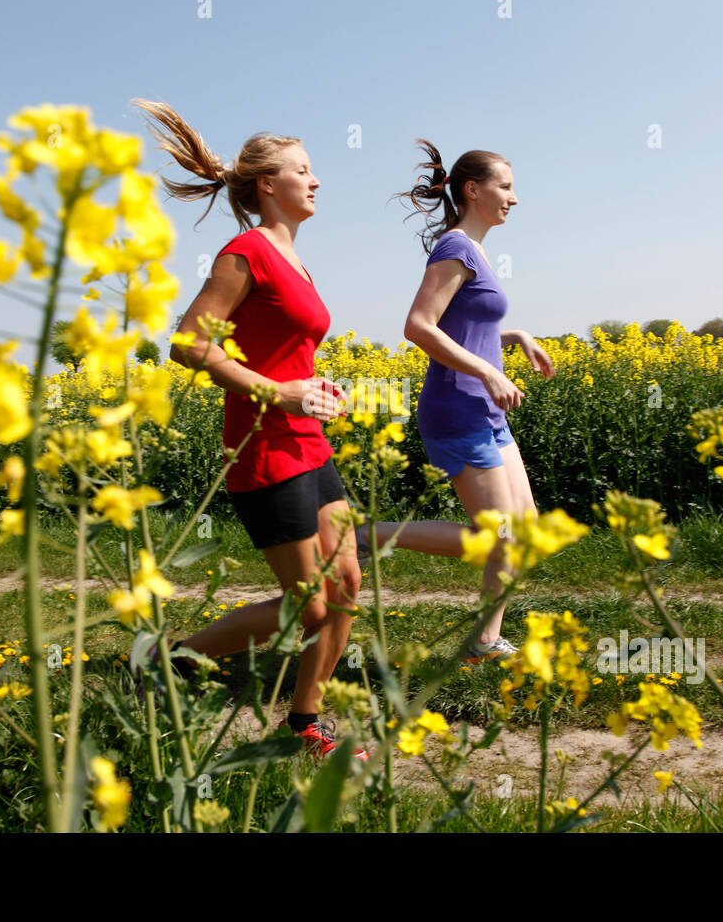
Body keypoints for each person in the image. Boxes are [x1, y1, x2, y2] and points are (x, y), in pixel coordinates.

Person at [133, 99, 366, 759]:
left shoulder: (296, 262)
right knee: (310, 606)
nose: (316, 181)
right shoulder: (246, 253)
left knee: (345, 585)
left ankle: (304, 722)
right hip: (263, 451)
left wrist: (312, 389)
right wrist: (278, 392)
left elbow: (284, 356)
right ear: (269, 185)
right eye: (303, 170)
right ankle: (170, 659)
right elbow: (187, 345)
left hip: (309, 445)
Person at [358, 140, 554, 664]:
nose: (514, 198)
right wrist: (489, 370)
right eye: (505, 186)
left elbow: (463, 326)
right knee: (495, 537)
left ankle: (484, 642)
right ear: (473, 190)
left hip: (483, 409)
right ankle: (363, 536)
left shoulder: (476, 249)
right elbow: (418, 326)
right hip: (457, 407)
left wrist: (515, 337)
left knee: (523, 529)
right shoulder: (455, 248)